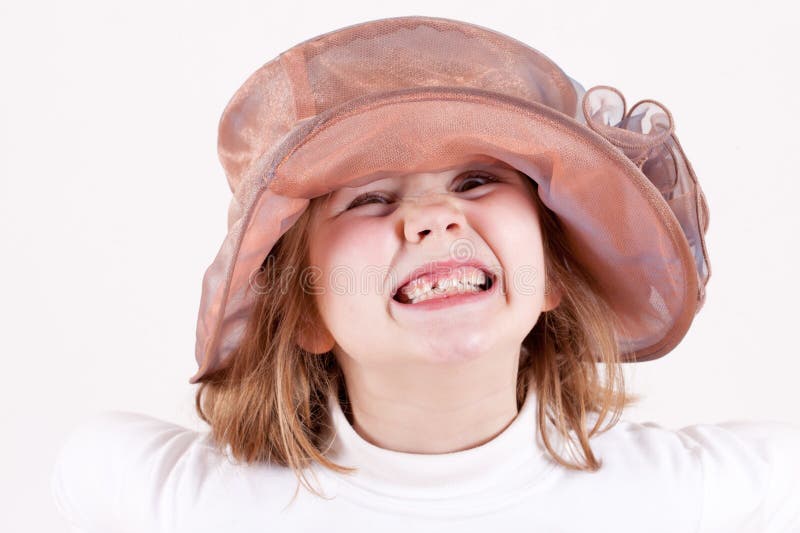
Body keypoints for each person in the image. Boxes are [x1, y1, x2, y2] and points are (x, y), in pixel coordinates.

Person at [50, 15, 800, 532]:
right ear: (306, 309)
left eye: (477, 181)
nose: (434, 218)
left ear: (551, 274)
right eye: (370, 199)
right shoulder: (174, 497)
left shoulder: (698, 496)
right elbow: (93, 463)